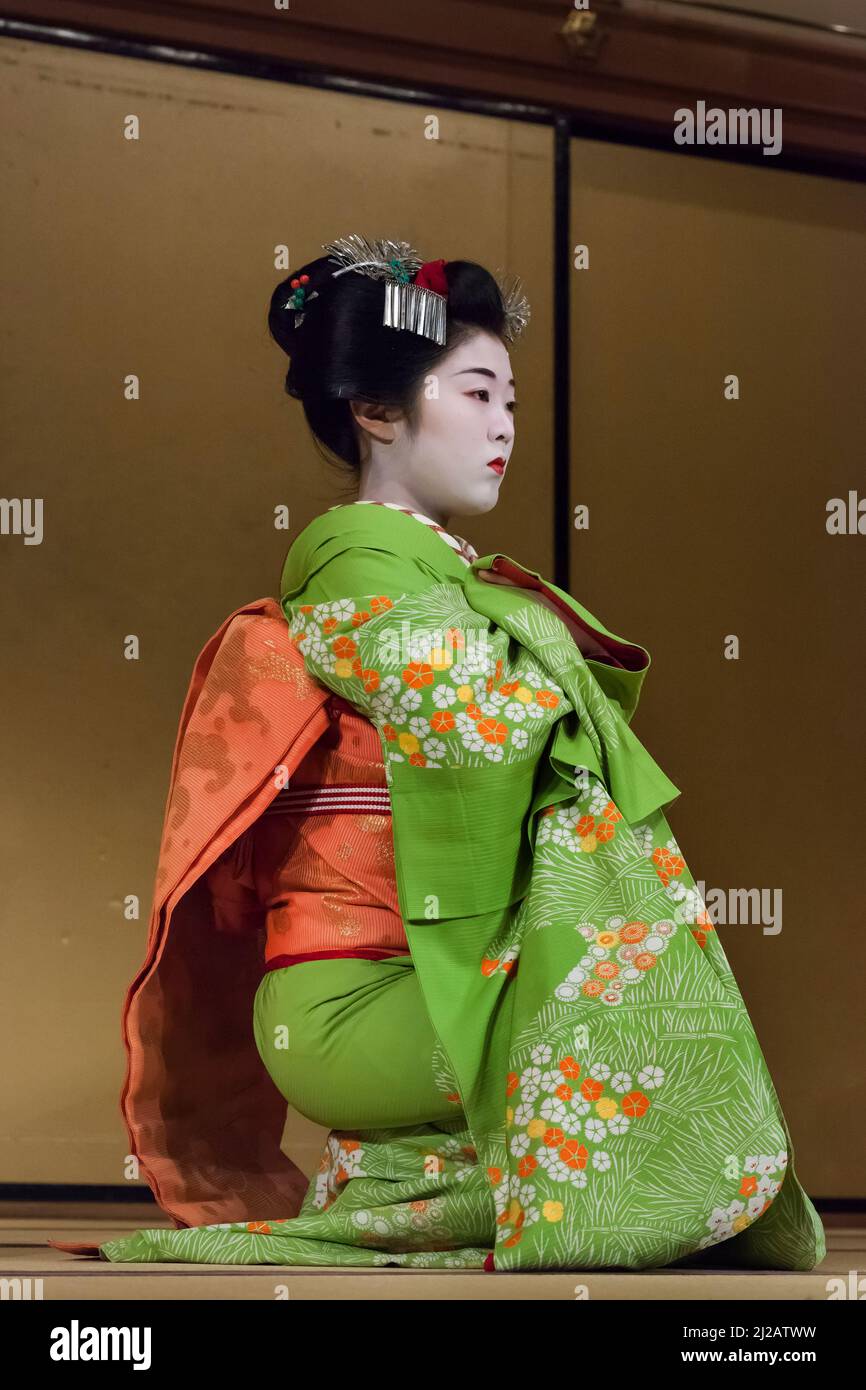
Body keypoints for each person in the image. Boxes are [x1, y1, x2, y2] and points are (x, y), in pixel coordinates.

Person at [50, 236, 825, 1272]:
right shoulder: (353, 564)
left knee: (655, 965)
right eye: (474, 391)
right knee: (626, 986)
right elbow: (479, 723)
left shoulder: (443, 572)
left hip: (419, 975)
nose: (504, 423)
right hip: (349, 997)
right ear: (376, 409)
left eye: (510, 397)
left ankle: (460, 1193)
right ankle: (538, 1200)